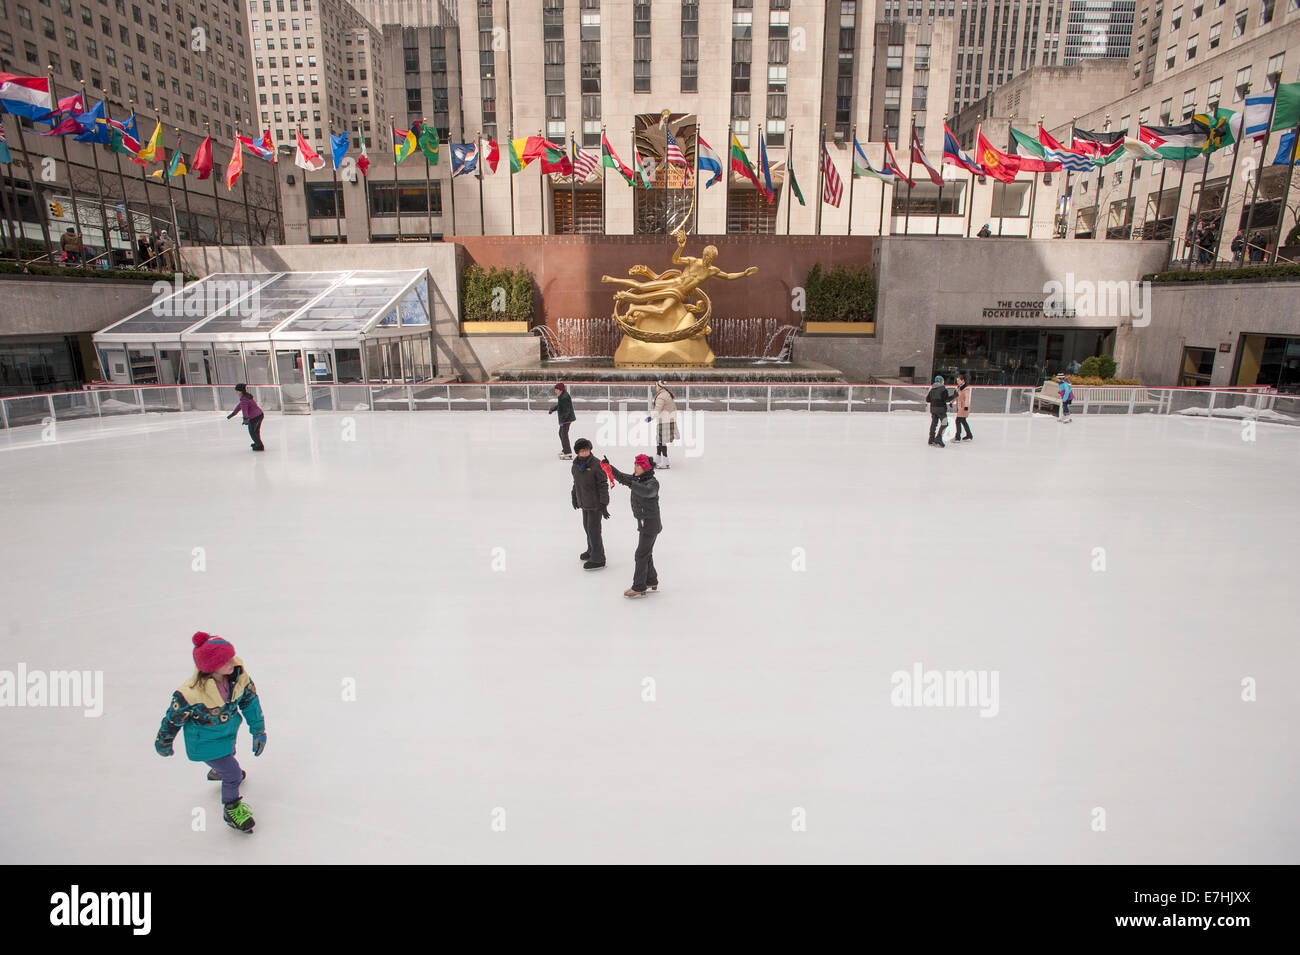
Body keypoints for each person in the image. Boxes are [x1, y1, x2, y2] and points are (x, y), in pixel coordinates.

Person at [154, 632, 267, 834]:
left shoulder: (237, 676)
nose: (232, 662)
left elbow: (250, 702)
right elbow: (172, 720)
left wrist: (258, 730)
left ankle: (221, 772)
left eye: (232, 657)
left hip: (227, 734)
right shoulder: (191, 694)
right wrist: (164, 741)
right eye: (226, 661)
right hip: (205, 743)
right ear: (211, 667)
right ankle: (231, 809)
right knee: (233, 774)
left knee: (229, 758)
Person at [603, 453, 661, 598]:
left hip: (650, 524)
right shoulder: (637, 478)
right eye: (635, 464)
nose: (635, 467)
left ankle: (639, 586)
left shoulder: (652, 483)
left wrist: (631, 483)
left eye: (638, 465)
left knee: (640, 554)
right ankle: (651, 580)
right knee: (646, 553)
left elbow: (648, 492)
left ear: (645, 468)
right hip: (644, 523)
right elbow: (622, 477)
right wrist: (610, 467)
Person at [571, 438, 609, 569]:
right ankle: (591, 550)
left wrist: (604, 504)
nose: (585, 453)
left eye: (587, 450)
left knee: (594, 530)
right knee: (587, 528)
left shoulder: (596, 464)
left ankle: (598, 558)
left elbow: (603, 485)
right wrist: (574, 497)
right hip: (584, 502)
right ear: (577, 452)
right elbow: (576, 483)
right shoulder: (576, 465)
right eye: (582, 451)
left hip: (595, 504)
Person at [646, 381, 678, 469]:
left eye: (656, 386)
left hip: (664, 421)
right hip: (667, 420)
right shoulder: (666, 393)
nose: (655, 388)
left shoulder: (661, 396)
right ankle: (658, 459)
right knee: (659, 440)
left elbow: (657, 410)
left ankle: (665, 462)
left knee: (661, 441)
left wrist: (650, 417)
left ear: (659, 387)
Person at [225, 383, 265, 451]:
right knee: (256, 431)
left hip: (254, 417)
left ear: (240, 391)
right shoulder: (247, 397)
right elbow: (239, 407)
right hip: (260, 415)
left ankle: (259, 446)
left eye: (237, 391)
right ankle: (258, 443)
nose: (236, 392)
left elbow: (244, 410)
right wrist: (233, 414)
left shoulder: (244, 399)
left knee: (252, 432)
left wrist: (245, 419)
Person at [548, 382, 576, 459]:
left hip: (567, 419)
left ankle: (568, 453)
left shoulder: (564, 397)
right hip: (565, 419)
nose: (555, 391)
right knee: (561, 434)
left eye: (556, 389)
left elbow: (567, 411)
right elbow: (560, 406)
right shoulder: (562, 395)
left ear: (560, 390)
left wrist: (562, 421)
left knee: (564, 435)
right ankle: (565, 449)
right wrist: (552, 409)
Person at [926, 375, 955, 447]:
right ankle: (938, 438)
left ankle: (931, 439)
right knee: (945, 423)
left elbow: (928, 399)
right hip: (941, 410)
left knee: (934, 424)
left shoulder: (932, 389)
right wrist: (954, 396)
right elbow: (946, 399)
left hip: (933, 410)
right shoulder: (943, 389)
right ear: (941, 381)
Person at [952, 372, 974, 442]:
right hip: (960, 407)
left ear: (963, 380)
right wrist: (951, 402)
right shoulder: (958, 388)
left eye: (958, 380)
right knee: (963, 421)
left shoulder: (966, 389)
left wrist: (966, 406)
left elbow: (967, 398)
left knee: (958, 421)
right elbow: (956, 396)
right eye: (957, 380)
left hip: (963, 408)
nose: (957, 381)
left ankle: (957, 437)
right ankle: (969, 435)